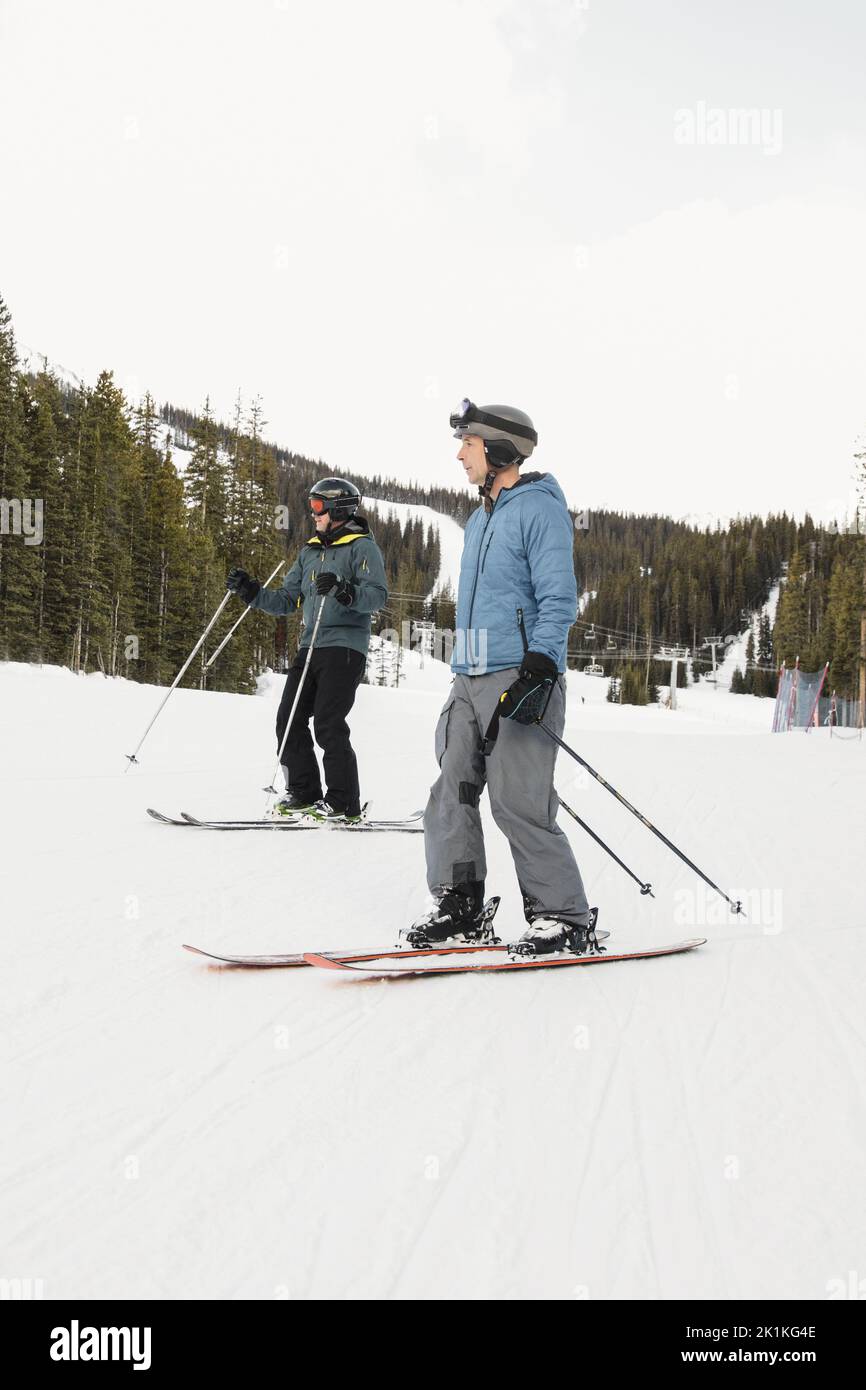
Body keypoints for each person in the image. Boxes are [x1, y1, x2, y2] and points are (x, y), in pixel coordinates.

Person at [414, 399, 595, 955]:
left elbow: (558, 597)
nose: (460, 456)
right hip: (468, 677)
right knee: (451, 792)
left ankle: (563, 917)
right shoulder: (480, 519)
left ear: (498, 449)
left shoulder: (539, 510)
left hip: (520, 674)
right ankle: (461, 905)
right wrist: (462, 673)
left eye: (467, 444)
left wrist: (541, 666)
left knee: (519, 801)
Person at [226, 478, 388, 821]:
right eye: (311, 506)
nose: (312, 513)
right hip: (310, 646)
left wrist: (345, 590)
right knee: (288, 720)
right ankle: (304, 792)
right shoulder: (310, 552)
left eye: (317, 507)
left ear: (338, 510)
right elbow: (288, 599)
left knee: (328, 723)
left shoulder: (362, 548)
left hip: (344, 647)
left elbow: (377, 595)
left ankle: (344, 803)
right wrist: (252, 592)